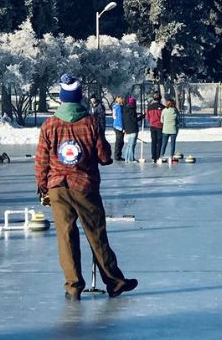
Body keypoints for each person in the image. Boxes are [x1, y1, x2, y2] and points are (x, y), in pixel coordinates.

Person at [34, 73, 137, 299]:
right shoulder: (90, 122)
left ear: (61, 98)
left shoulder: (49, 125)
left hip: (57, 187)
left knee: (66, 236)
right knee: (96, 234)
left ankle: (73, 286)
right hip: (85, 186)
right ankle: (114, 282)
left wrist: (42, 186)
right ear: (79, 97)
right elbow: (104, 156)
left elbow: (41, 160)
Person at [160, 98, 179, 162]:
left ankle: (161, 156)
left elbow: (161, 120)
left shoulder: (164, 110)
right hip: (173, 129)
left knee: (164, 144)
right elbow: (178, 120)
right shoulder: (175, 111)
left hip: (165, 129)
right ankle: (171, 156)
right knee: (172, 144)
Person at [121, 97, 140, 162]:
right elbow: (134, 120)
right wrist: (142, 117)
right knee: (132, 145)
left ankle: (127, 158)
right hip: (133, 129)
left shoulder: (124, 110)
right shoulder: (132, 110)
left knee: (129, 145)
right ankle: (131, 159)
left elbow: (124, 120)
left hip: (127, 129)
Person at [146, 94, 164, 161]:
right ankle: (158, 156)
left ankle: (153, 157)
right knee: (159, 142)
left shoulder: (149, 107)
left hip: (152, 126)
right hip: (160, 126)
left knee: (153, 142)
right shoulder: (162, 107)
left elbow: (147, 117)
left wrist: (151, 121)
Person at [111, 96, 126, 162]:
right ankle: (117, 156)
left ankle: (117, 155)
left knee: (119, 141)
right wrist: (122, 127)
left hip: (115, 125)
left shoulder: (115, 107)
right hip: (119, 126)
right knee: (119, 142)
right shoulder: (119, 108)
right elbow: (120, 118)